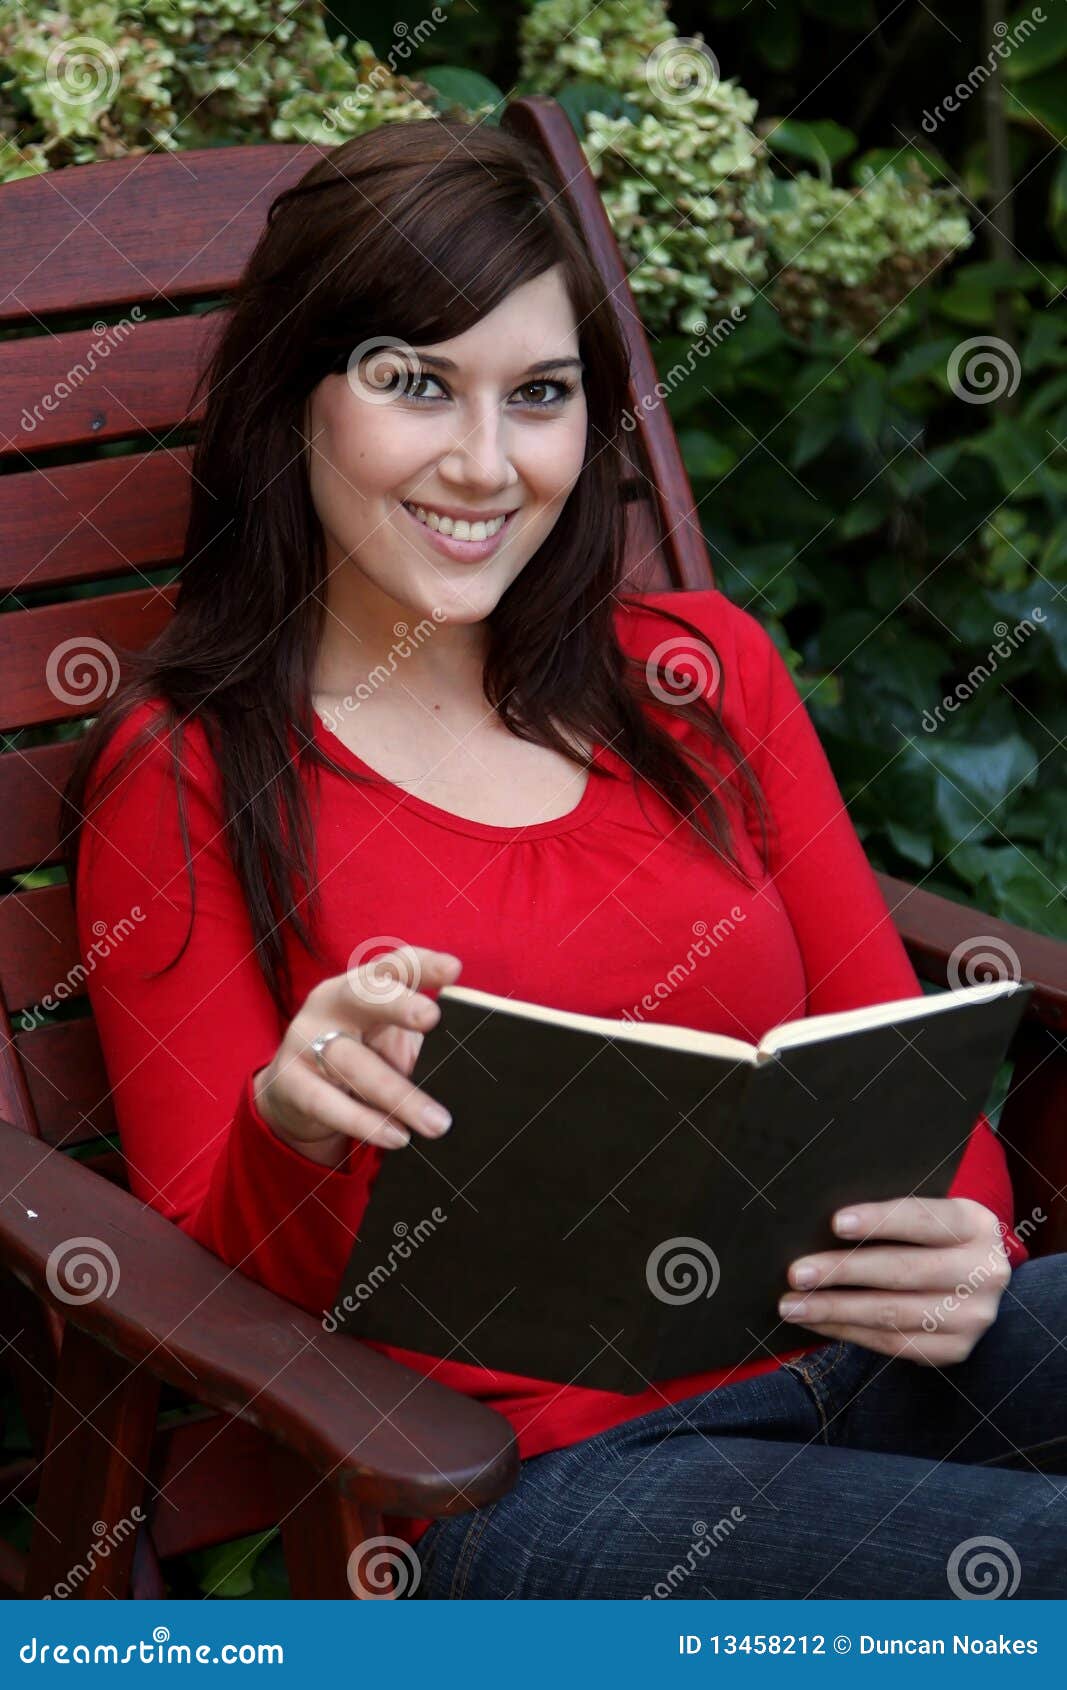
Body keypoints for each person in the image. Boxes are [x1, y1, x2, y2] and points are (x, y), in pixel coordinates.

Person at [64, 118, 1067, 1600]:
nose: (484, 463)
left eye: (537, 395)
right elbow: (210, 1279)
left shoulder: (699, 676)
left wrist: (966, 1233)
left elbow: (892, 1060)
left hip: (868, 1365)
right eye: (417, 384)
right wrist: (297, 1117)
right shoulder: (194, 770)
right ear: (296, 402)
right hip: (548, 1490)